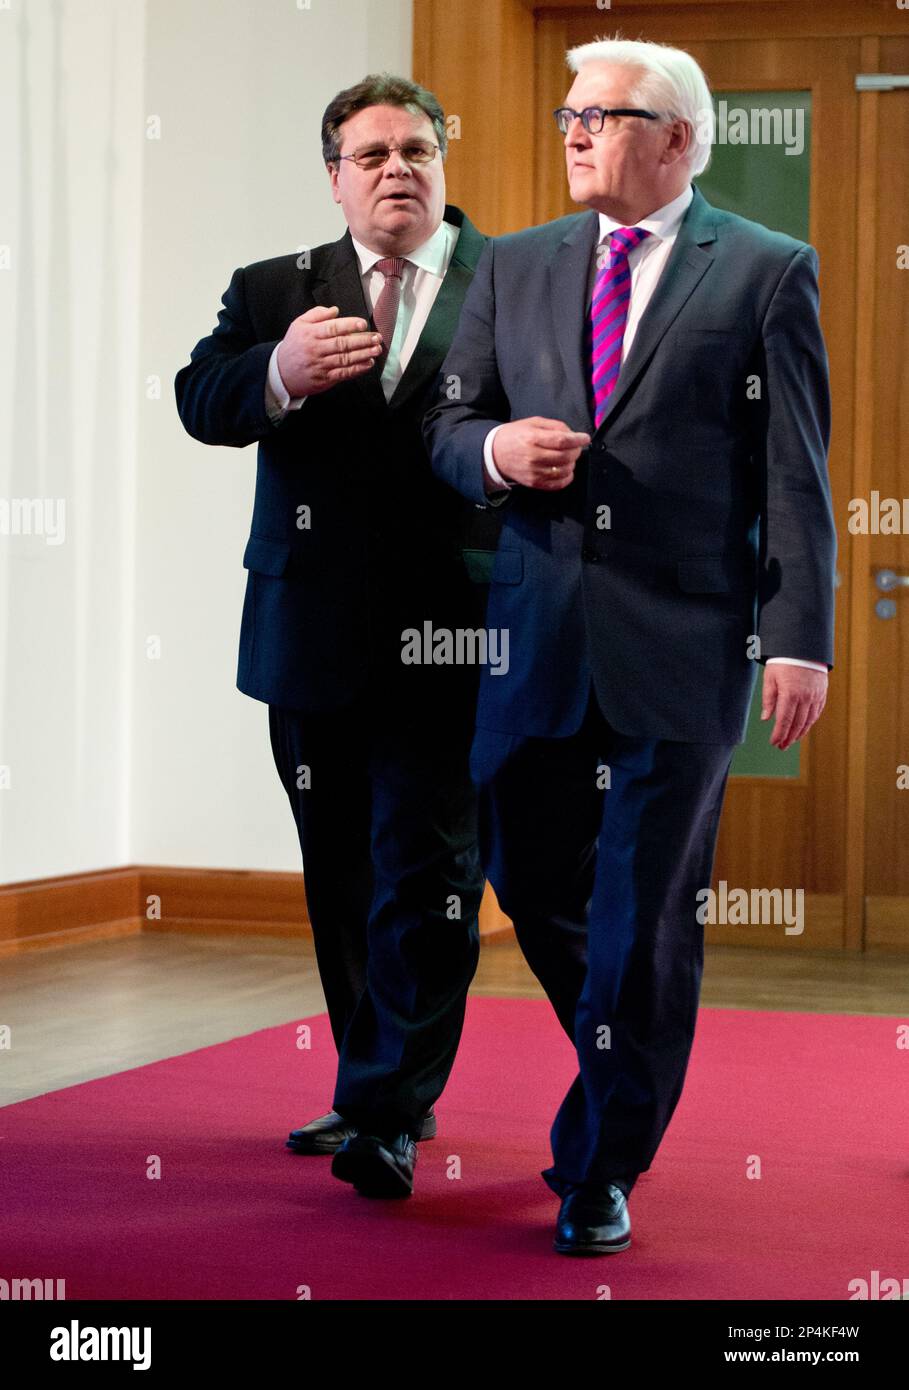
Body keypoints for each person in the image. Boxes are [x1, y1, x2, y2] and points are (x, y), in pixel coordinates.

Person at [424, 38, 836, 1253]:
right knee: (533, 877)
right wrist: (497, 454)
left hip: (683, 649)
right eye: (567, 112)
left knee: (643, 916)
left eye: (600, 114)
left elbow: (796, 476)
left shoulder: (766, 272)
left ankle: (601, 1162)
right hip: (535, 641)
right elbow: (450, 422)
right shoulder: (512, 263)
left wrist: (798, 639)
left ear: (677, 140)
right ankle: (624, 1053)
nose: (573, 131)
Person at [175, 73, 497, 1200]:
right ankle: (378, 1074)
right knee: (345, 870)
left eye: (416, 148)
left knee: (432, 867)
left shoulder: (514, 282)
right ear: (336, 177)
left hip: (461, 636)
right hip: (311, 630)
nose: (396, 167)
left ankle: (386, 1106)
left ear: (443, 163)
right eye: (371, 154)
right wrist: (276, 375)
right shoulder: (275, 288)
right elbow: (198, 398)